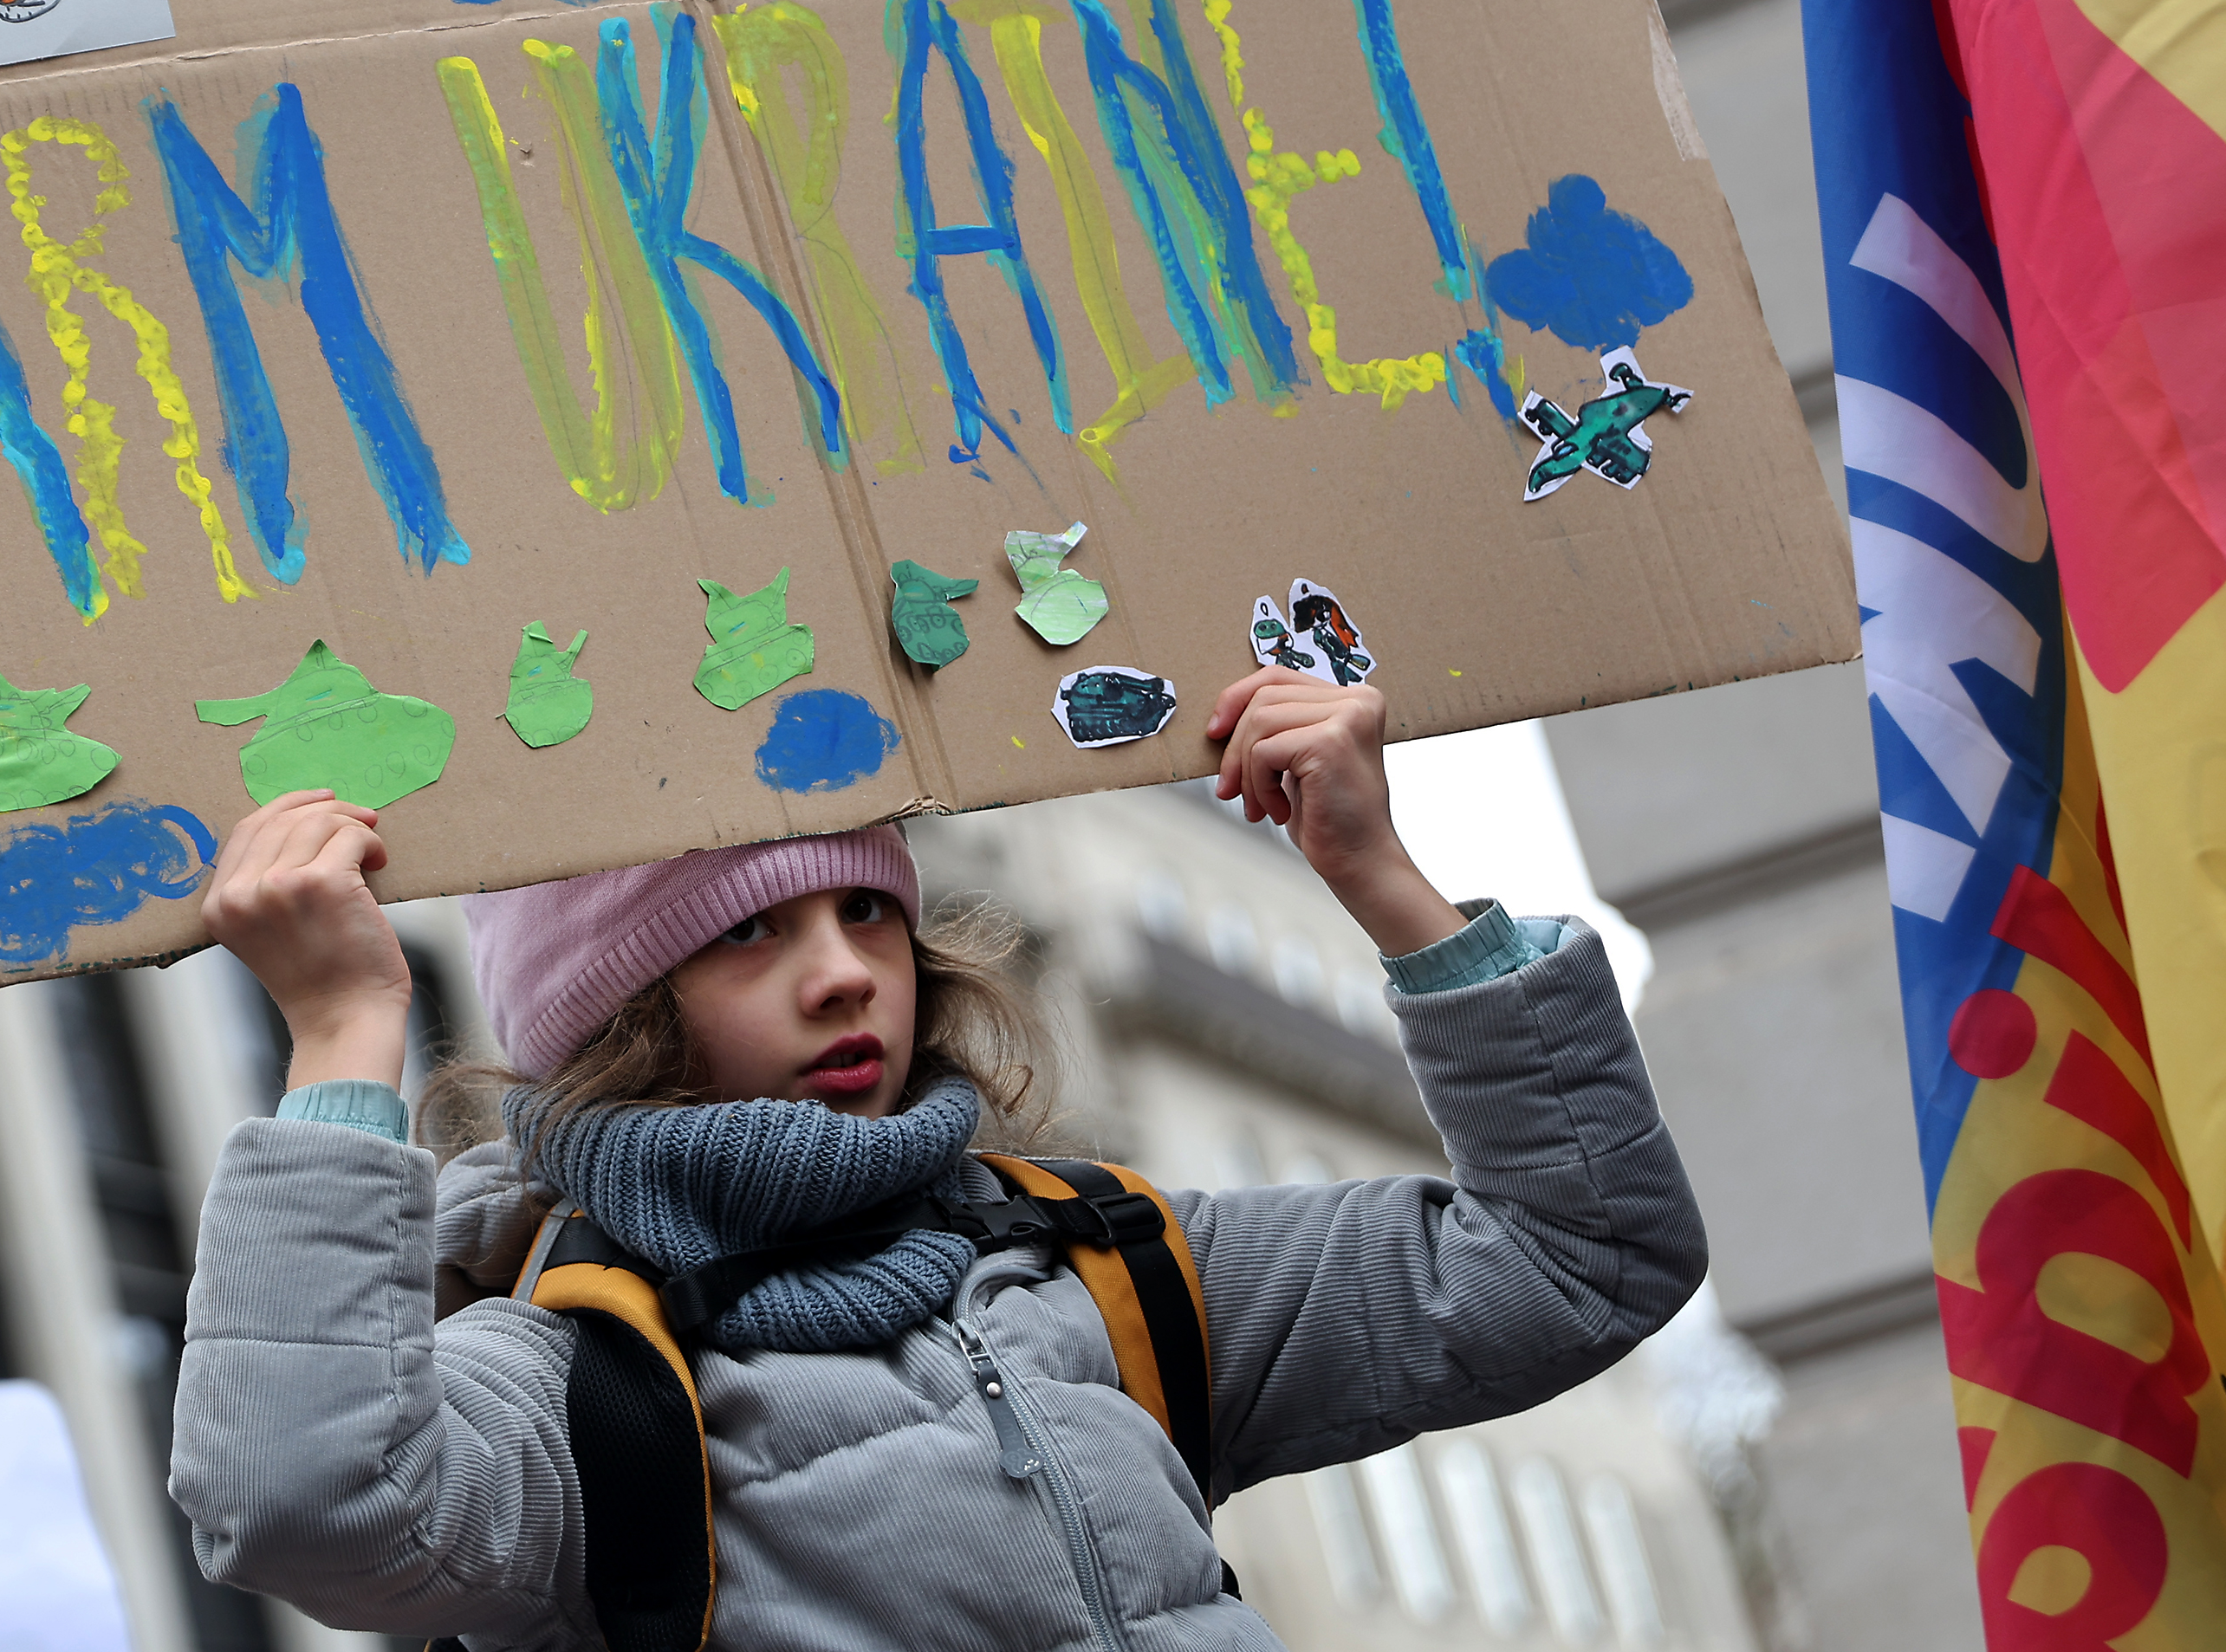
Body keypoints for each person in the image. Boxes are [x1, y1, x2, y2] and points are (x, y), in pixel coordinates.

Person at [171, 668, 1705, 1650]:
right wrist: (343, 1029)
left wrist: (1381, 883)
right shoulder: (569, 1381)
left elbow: (1581, 1258)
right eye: (748, 934)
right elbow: (311, 1507)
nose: (843, 974)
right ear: (620, 1015)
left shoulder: (1109, 1264)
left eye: (866, 912)